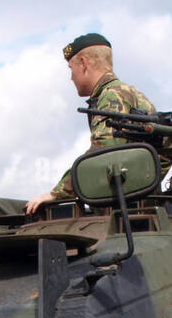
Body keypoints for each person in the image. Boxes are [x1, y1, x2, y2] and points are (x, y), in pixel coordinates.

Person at [25, 34, 156, 215]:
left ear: (84, 63)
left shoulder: (112, 96)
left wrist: (57, 193)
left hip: (128, 209)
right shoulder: (128, 91)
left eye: (71, 69)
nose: (71, 77)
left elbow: (103, 154)